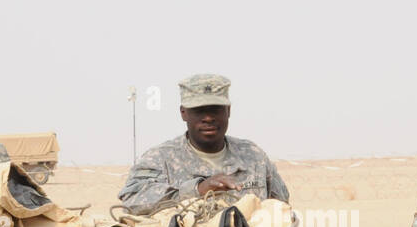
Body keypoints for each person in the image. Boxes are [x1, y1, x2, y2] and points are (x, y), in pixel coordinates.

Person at [118, 73, 290, 214]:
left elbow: (282, 208)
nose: (208, 118)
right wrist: (197, 190)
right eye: (199, 111)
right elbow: (132, 202)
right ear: (184, 113)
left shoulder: (253, 157)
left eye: (215, 109)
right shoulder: (160, 159)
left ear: (228, 111)